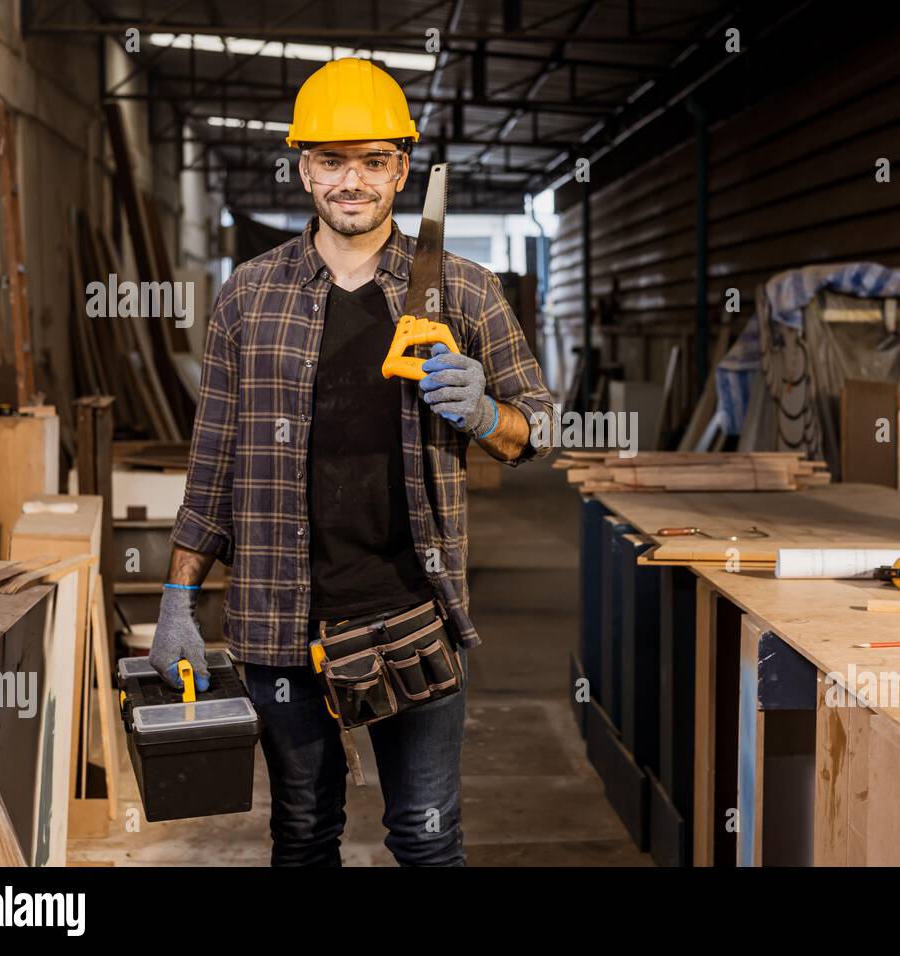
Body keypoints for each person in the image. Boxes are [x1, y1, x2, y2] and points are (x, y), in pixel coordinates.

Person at [148, 57, 553, 866]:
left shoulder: (465, 292)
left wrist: (481, 411)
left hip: (413, 612)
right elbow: (214, 461)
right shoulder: (248, 295)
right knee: (301, 835)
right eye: (332, 161)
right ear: (305, 169)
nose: (351, 181)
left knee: (428, 840)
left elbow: (536, 429)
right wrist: (177, 595)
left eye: (372, 160)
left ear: (401, 169)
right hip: (280, 618)